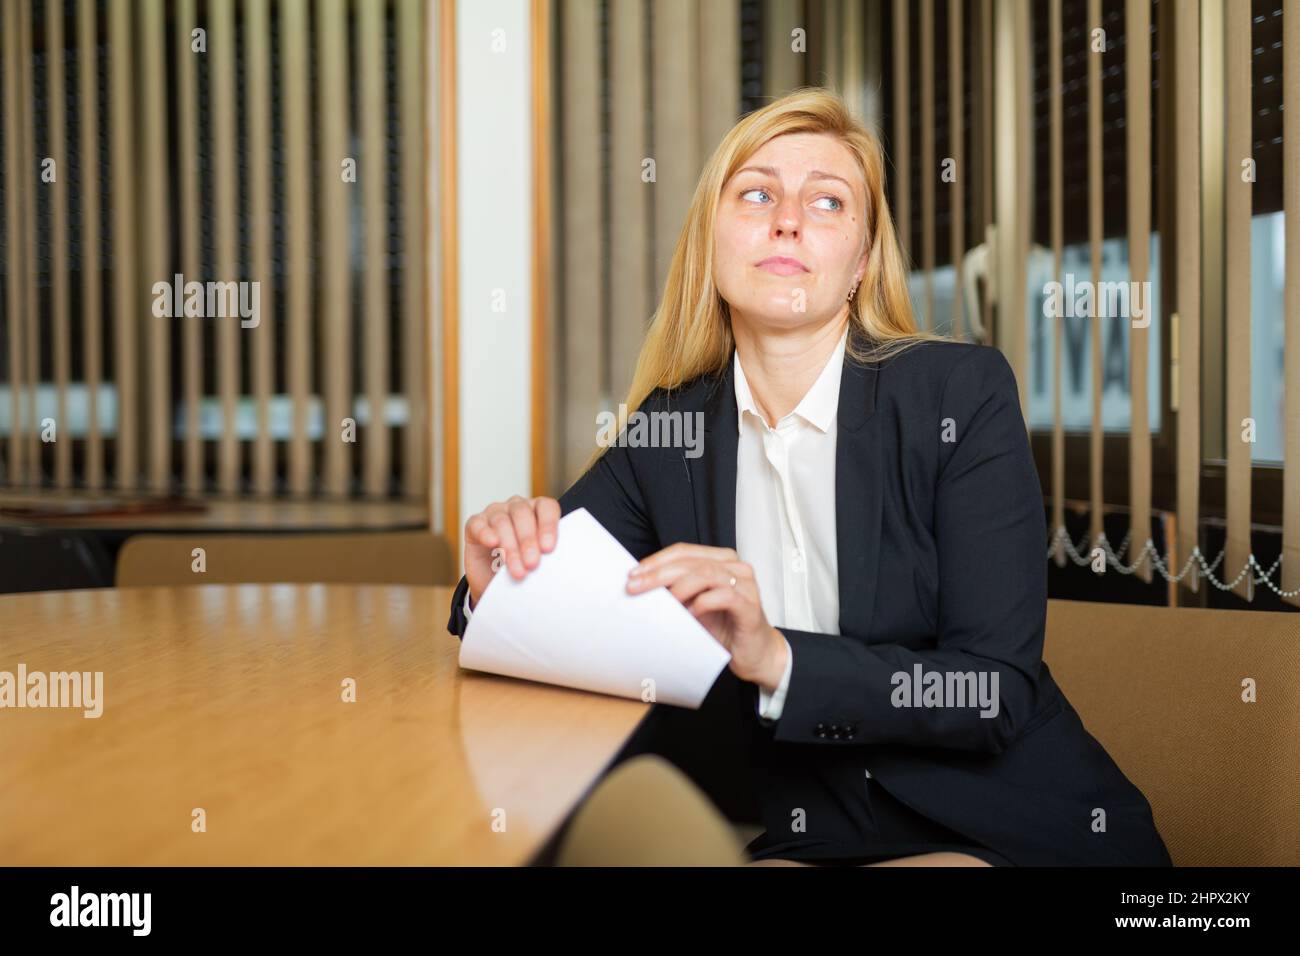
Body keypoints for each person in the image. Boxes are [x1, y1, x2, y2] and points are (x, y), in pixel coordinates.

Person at [446, 87, 1172, 868]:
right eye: (756, 193)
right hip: (813, 831)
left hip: (1005, 824)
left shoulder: (958, 395)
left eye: (827, 202)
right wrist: (499, 580)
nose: (786, 217)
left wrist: (777, 658)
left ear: (860, 262)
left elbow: (989, 691)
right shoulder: (669, 429)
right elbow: (564, 610)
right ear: (711, 244)